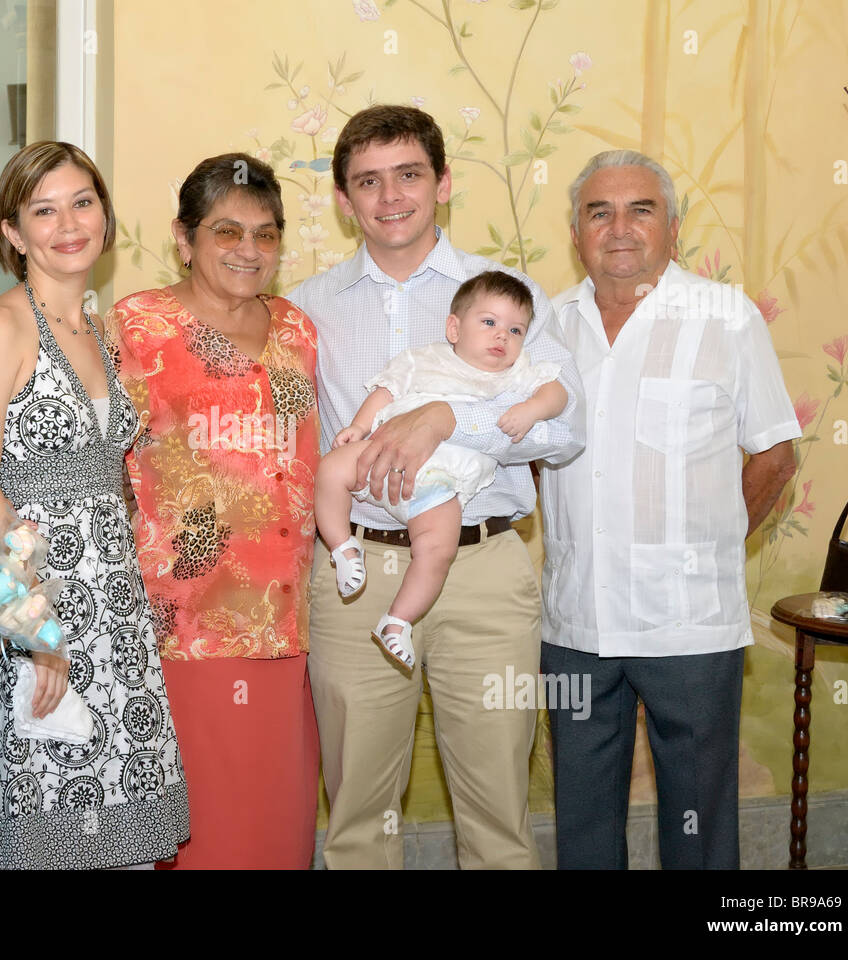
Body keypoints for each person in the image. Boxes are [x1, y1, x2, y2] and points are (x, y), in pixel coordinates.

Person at [286, 104, 585, 870]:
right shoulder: (307, 308)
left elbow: (565, 429)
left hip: (484, 571)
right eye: (368, 181)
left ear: (443, 183)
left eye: (409, 175)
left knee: (498, 815)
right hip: (356, 577)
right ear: (344, 200)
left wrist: (448, 419)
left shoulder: (508, 296)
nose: (391, 197)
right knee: (357, 819)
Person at [541, 150, 800, 869]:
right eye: (599, 212)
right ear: (576, 232)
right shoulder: (547, 326)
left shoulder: (727, 317)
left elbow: (775, 456)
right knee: (582, 819)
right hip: (575, 618)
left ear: (674, 227)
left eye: (641, 210)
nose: (619, 228)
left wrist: (708, 547)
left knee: (697, 823)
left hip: (690, 622)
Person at [0, 141, 188, 869]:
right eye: (44, 211)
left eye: (82, 203)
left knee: (121, 831)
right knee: (45, 824)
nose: (68, 225)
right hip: (38, 606)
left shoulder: (100, 331)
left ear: (105, 216)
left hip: (114, 611)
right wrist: (35, 630)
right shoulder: (2, 328)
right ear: (13, 232)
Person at [110, 152, 321, 869]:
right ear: (184, 236)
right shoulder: (137, 325)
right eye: (227, 231)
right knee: (205, 829)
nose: (248, 250)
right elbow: (102, 460)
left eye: (266, 234)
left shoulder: (296, 329)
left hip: (286, 618)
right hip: (186, 624)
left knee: (276, 824)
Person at [315, 271, 567, 670]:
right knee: (331, 469)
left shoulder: (516, 375)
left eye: (515, 330)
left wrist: (532, 409)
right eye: (489, 322)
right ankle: (343, 547)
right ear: (454, 327)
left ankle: (397, 621)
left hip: (439, 487)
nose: (502, 336)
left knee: (437, 549)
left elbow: (557, 392)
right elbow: (385, 392)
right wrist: (359, 428)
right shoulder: (423, 359)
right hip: (379, 460)